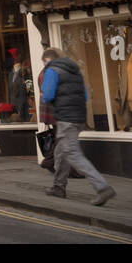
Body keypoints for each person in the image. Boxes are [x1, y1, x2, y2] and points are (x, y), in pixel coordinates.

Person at [40, 48, 115, 205]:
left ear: (48, 60)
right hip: (79, 117)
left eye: (44, 62)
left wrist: (43, 95)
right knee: (61, 151)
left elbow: (47, 95)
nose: (44, 66)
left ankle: (102, 188)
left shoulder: (52, 71)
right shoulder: (75, 70)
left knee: (73, 154)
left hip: (65, 118)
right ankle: (58, 187)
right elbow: (85, 95)